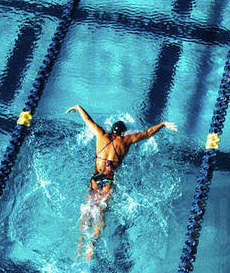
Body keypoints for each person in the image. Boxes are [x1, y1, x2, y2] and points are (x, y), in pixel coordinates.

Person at [68, 105, 175, 260]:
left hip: (96, 177)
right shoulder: (126, 141)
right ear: (123, 132)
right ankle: (92, 245)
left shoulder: (101, 134)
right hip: (108, 180)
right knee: (100, 212)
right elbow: (147, 133)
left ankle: (80, 243)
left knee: (88, 209)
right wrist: (163, 124)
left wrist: (78, 108)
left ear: (111, 129)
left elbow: (88, 120)